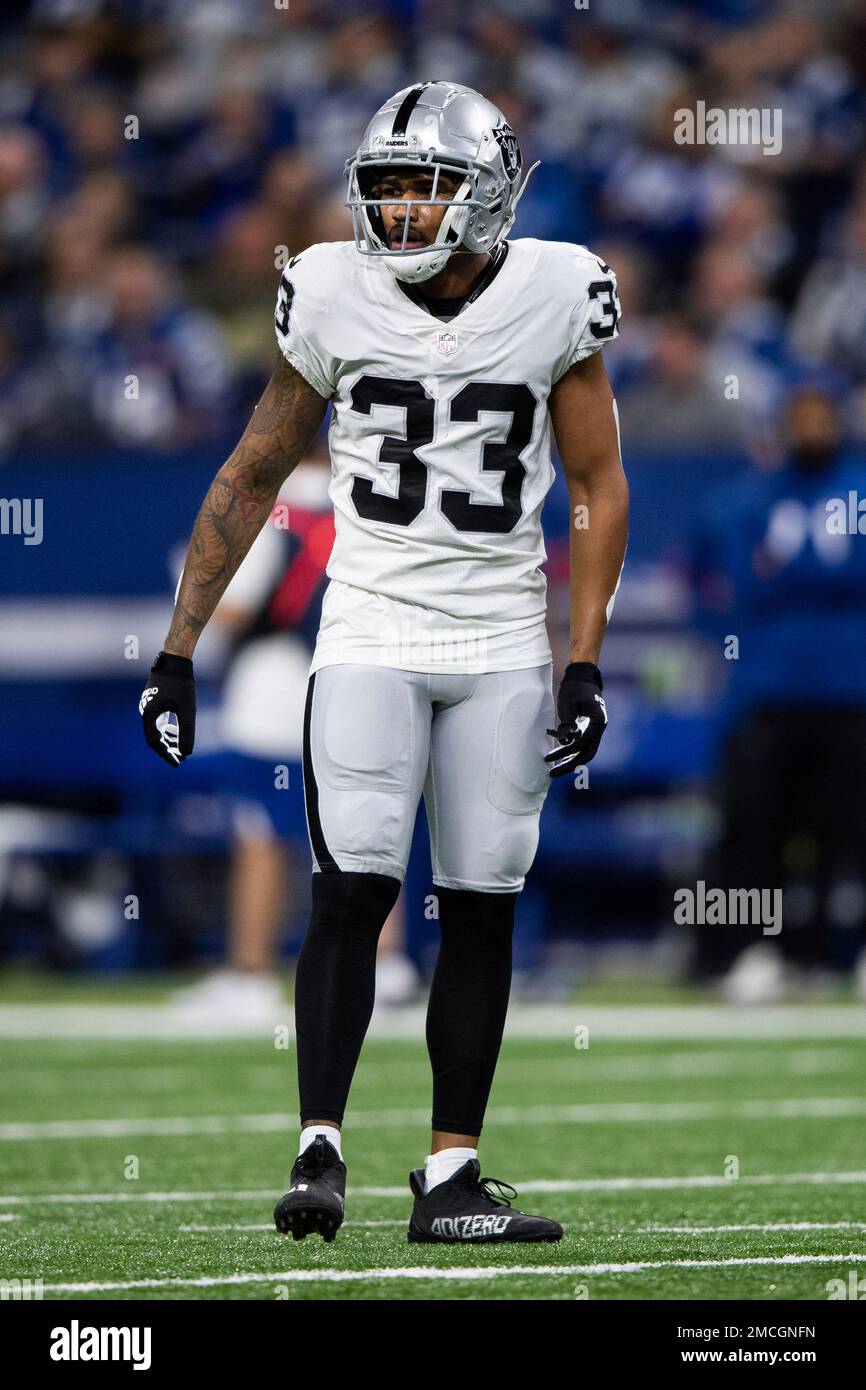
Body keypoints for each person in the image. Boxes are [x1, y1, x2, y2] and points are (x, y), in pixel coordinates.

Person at [139, 81, 628, 1244]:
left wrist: (584, 659)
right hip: (369, 623)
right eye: (388, 186)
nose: (403, 211)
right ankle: (318, 1152)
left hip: (503, 633)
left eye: (429, 185)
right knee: (350, 890)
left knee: (480, 907)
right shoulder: (328, 288)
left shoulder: (560, 289)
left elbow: (599, 484)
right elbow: (254, 470)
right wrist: (176, 647)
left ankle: (450, 1177)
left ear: (492, 192)